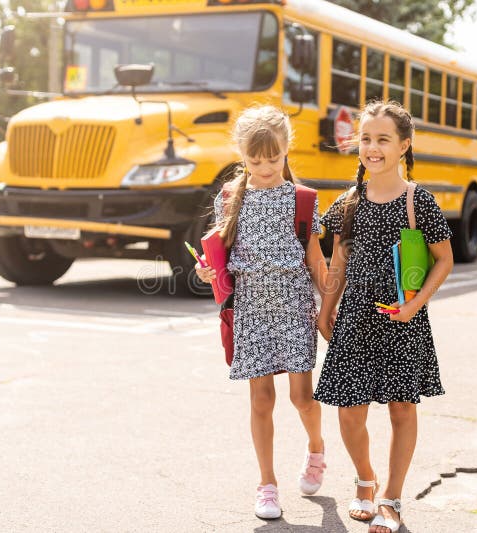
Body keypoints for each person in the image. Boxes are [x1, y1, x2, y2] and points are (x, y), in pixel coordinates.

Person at [314, 100, 454, 533]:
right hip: (354, 319)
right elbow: (337, 259)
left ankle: (392, 500)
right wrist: (326, 307)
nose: (372, 148)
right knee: (349, 411)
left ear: (404, 145)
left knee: (401, 409)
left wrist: (415, 305)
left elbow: (444, 260)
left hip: (401, 320)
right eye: (366, 139)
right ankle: (365, 482)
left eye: (383, 140)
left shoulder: (419, 201)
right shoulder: (347, 201)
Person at [194, 105, 328, 520]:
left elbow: (317, 260)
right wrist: (205, 272)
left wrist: (330, 309)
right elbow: (218, 258)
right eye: (256, 161)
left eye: (274, 158)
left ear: (287, 150)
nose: (266, 167)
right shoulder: (229, 199)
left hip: (294, 307)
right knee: (261, 399)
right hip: (251, 309)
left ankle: (317, 447)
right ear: (242, 156)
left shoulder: (303, 200)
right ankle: (267, 484)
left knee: (302, 398)